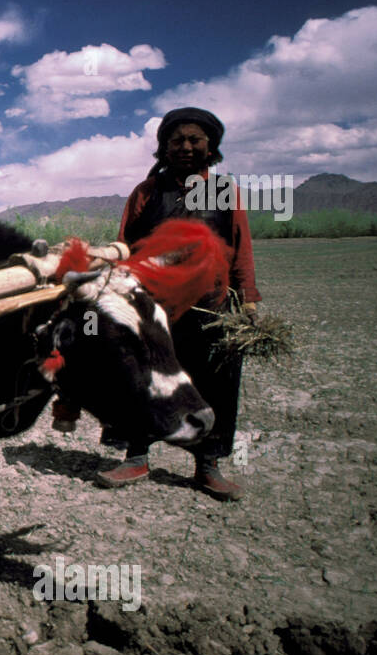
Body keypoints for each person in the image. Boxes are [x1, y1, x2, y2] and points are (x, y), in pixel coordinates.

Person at [96, 106, 261, 500]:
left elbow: (241, 249)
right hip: (155, 309)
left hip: (211, 307)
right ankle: (135, 456)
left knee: (214, 383)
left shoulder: (221, 191)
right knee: (145, 380)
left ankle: (208, 466)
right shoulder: (147, 193)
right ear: (164, 148)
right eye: (176, 140)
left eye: (194, 140)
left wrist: (249, 302)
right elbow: (125, 246)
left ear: (210, 147)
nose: (185, 147)